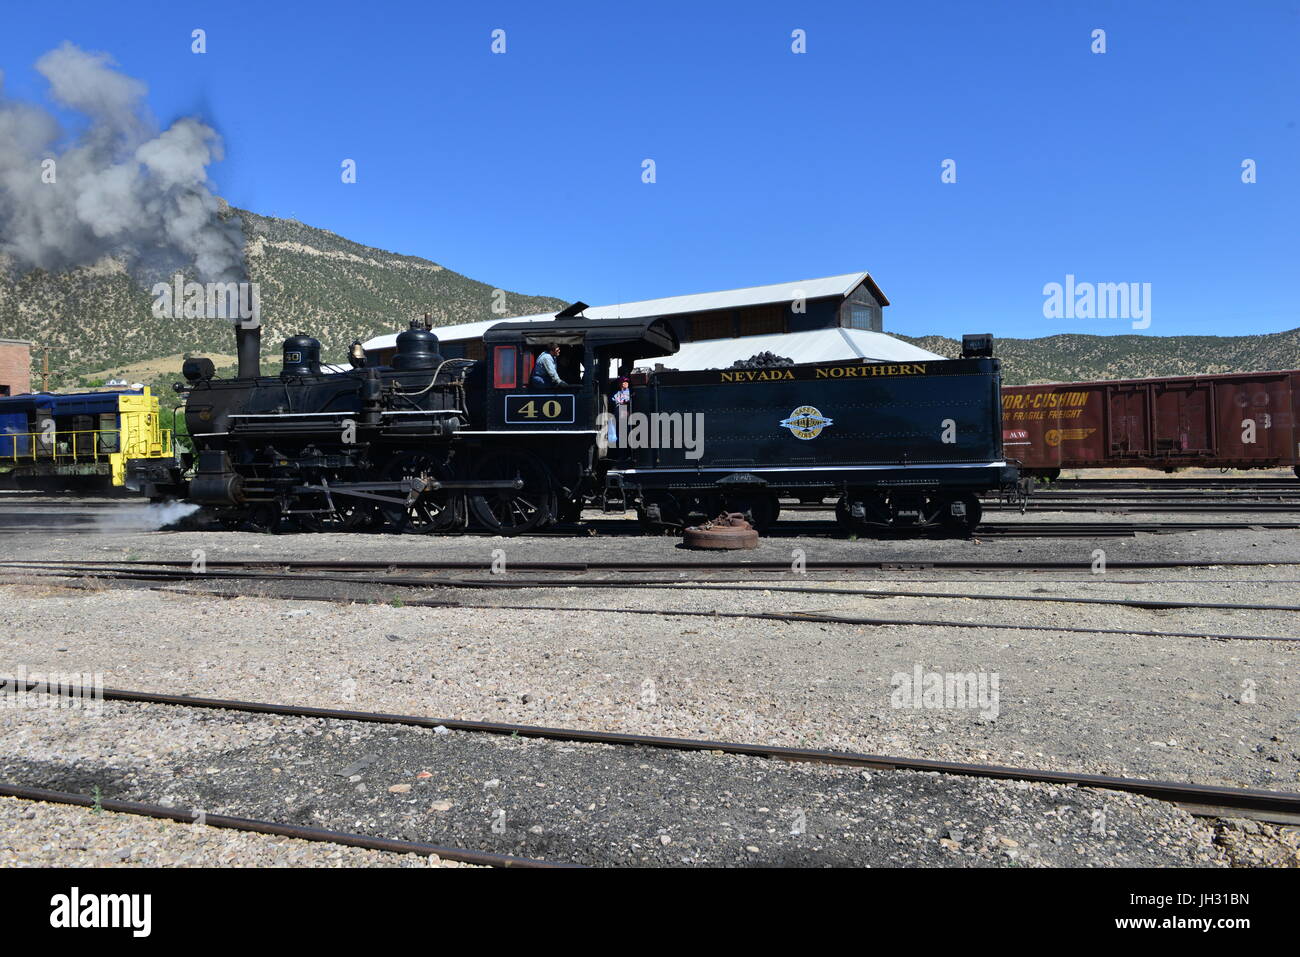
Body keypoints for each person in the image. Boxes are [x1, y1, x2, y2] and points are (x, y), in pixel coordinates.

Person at [608, 376, 631, 445]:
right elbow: (612, 400)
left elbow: (626, 400)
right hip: (617, 416)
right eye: (623, 382)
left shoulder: (628, 391)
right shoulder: (616, 393)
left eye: (626, 382)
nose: (625, 383)